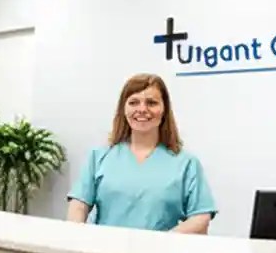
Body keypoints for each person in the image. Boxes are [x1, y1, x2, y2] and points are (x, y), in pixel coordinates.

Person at [66, 73, 216, 233]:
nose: (142, 109)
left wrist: (160, 244)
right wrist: (77, 239)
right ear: (123, 109)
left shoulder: (187, 164)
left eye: (151, 103)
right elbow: (78, 206)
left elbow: (200, 218)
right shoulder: (98, 157)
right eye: (133, 102)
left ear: (164, 109)